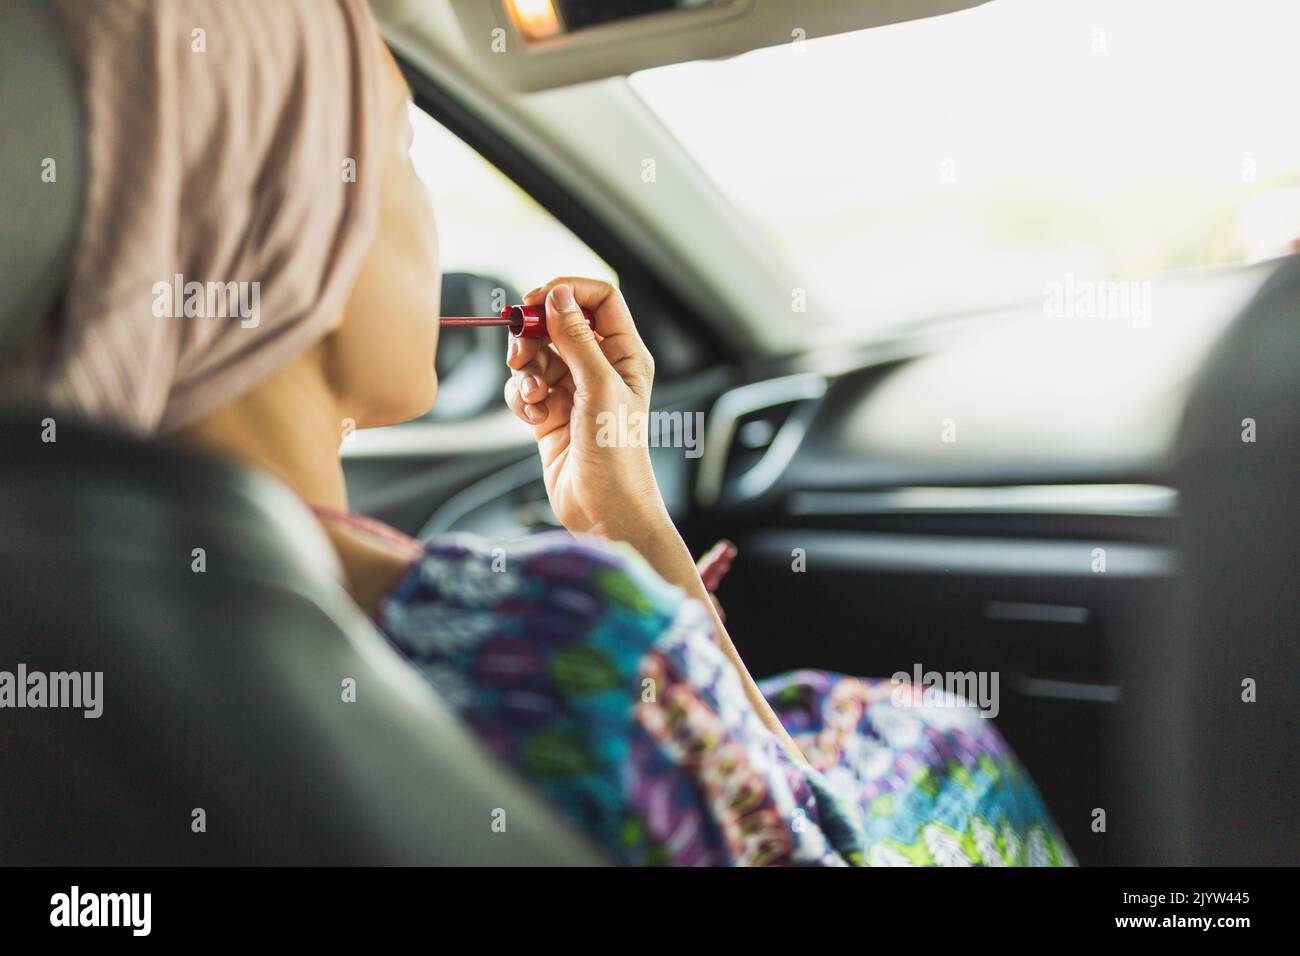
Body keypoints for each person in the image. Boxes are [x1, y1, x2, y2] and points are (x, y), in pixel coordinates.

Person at [13, 0, 1073, 866]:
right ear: (290, 222)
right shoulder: (561, 643)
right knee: (934, 737)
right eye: (399, 143)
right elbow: (810, 845)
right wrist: (640, 562)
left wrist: (615, 516)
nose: (425, 208)